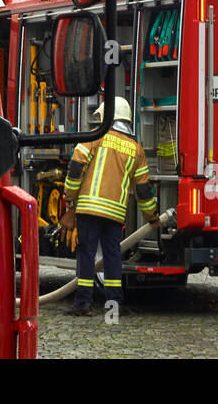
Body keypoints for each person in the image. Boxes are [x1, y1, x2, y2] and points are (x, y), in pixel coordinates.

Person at [62, 97, 160, 316]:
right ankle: (113, 305)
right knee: (113, 255)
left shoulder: (93, 137)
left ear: (108, 117)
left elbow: (76, 168)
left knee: (86, 254)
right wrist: (152, 216)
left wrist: (70, 197)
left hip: (88, 209)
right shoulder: (136, 148)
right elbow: (144, 190)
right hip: (115, 214)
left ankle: (82, 304)